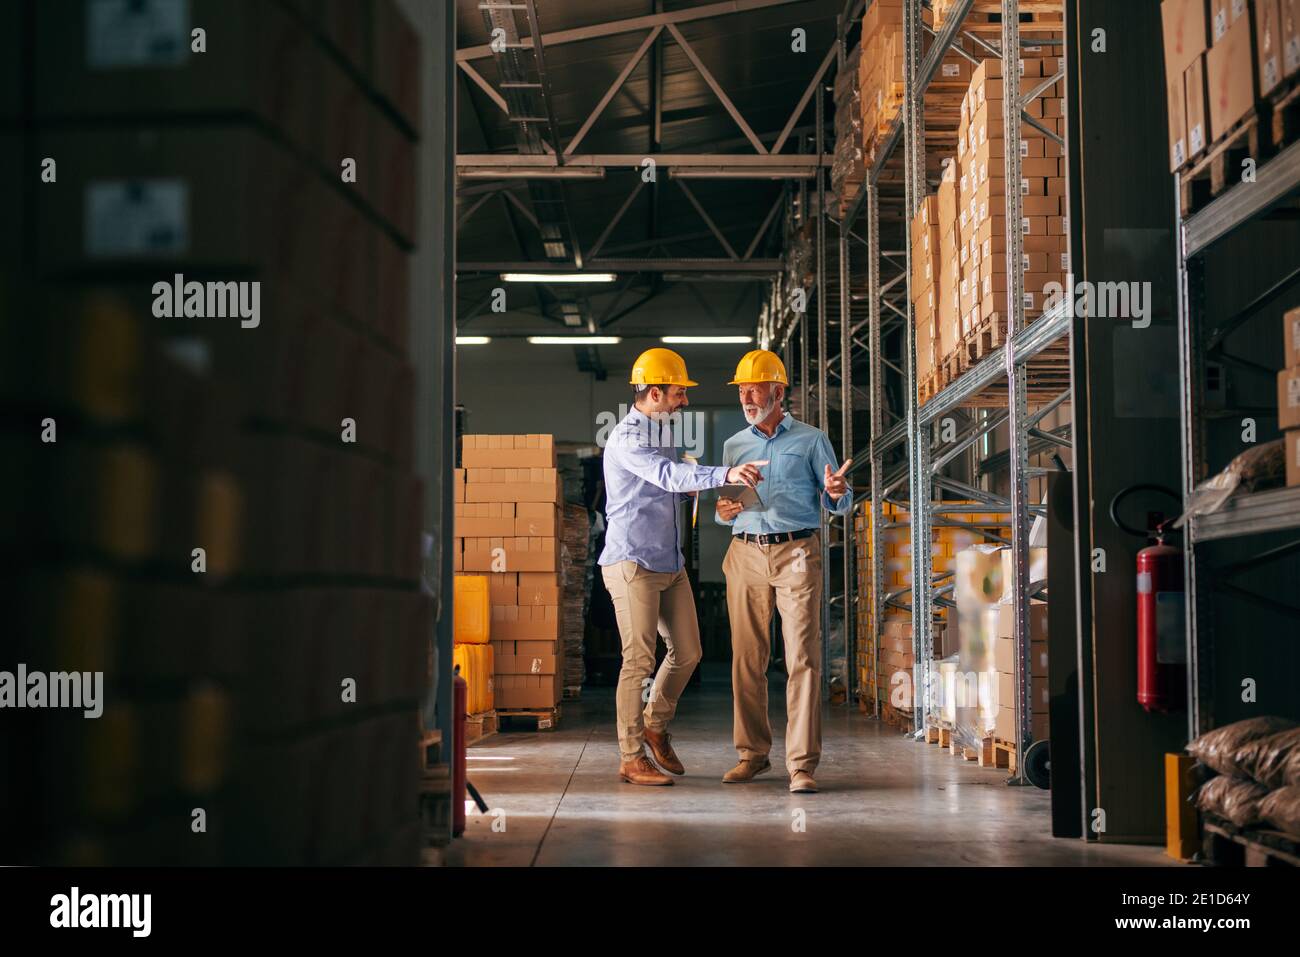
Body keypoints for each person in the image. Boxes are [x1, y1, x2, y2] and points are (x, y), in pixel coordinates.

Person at [599, 347, 768, 787]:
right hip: (632, 561)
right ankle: (631, 755)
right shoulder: (628, 437)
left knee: (688, 652)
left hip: (668, 562)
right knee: (638, 660)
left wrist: (694, 490)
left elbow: (671, 483)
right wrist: (724, 474)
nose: (684, 401)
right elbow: (669, 477)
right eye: (678, 393)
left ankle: (655, 725)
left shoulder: (663, 432)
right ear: (654, 393)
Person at [715, 349, 852, 793]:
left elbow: (839, 500)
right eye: (742, 390)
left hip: (796, 552)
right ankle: (752, 755)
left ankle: (801, 765)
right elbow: (725, 510)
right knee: (747, 659)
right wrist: (723, 509)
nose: (747, 397)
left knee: (802, 659)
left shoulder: (812, 440)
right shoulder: (734, 445)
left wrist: (836, 491)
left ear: (778, 391)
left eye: (754, 389)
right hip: (746, 551)